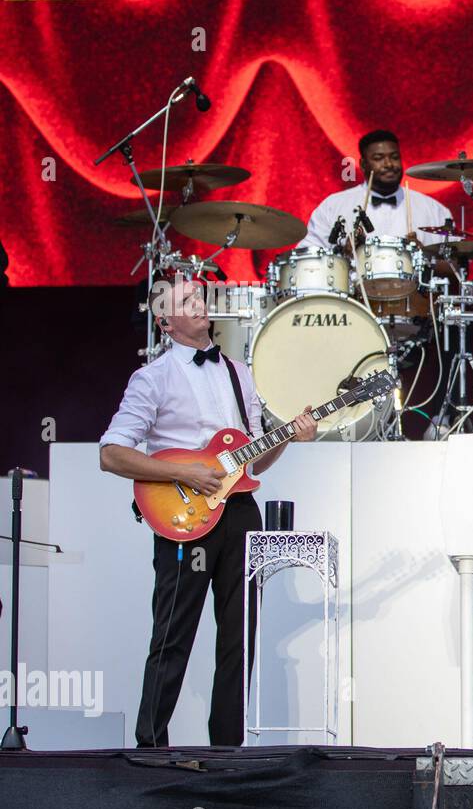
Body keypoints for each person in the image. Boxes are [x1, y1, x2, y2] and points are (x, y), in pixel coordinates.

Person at [99, 278, 317, 747]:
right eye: (185, 301)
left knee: (240, 639)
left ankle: (226, 751)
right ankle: (151, 747)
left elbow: (253, 459)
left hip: (240, 512)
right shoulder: (152, 377)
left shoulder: (239, 373)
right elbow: (112, 453)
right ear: (165, 321)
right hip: (184, 518)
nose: (198, 304)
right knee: (173, 633)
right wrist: (183, 475)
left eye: (199, 296)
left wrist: (289, 437)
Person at [300, 130, 452, 250]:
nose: (389, 164)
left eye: (394, 157)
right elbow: (310, 257)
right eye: (378, 158)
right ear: (363, 164)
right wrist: (344, 253)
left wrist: (424, 255)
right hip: (354, 289)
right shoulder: (333, 206)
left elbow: (456, 266)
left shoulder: (434, 210)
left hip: (415, 289)